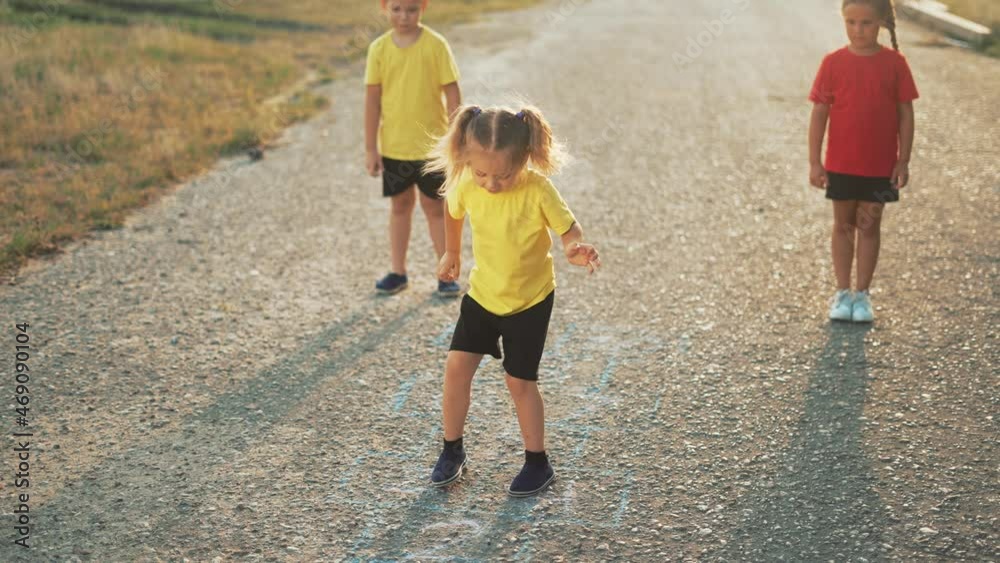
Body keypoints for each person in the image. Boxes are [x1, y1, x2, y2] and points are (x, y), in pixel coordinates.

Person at [423, 104, 601, 496]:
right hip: (483, 294)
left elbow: (568, 230)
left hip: (529, 301)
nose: (489, 183)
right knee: (455, 368)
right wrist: (451, 252)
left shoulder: (537, 188)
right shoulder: (468, 181)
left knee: (519, 382)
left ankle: (538, 462)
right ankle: (452, 450)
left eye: (502, 175)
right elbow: (453, 211)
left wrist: (574, 249)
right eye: (481, 172)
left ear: (523, 159)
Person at [809, 0, 918, 323]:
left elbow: (905, 114)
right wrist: (815, 162)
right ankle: (842, 292)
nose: (859, 30)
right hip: (840, 164)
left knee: (869, 227)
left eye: (866, 23)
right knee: (843, 226)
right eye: (851, 22)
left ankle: (862, 295)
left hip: (879, 166)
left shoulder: (895, 63)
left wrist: (903, 160)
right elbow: (819, 114)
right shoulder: (833, 62)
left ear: (882, 22)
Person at [364, 0, 462, 296]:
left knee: (435, 208)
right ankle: (398, 272)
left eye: (411, 9)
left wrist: (456, 138)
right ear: (385, 8)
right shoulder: (379, 49)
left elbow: (452, 91)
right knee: (400, 207)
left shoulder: (436, 45)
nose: (403, 16)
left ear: (423, 8)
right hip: (394, 147)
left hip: (432, 149)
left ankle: (446, 274)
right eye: (396, 9)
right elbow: (372, 101)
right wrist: (371, 148)